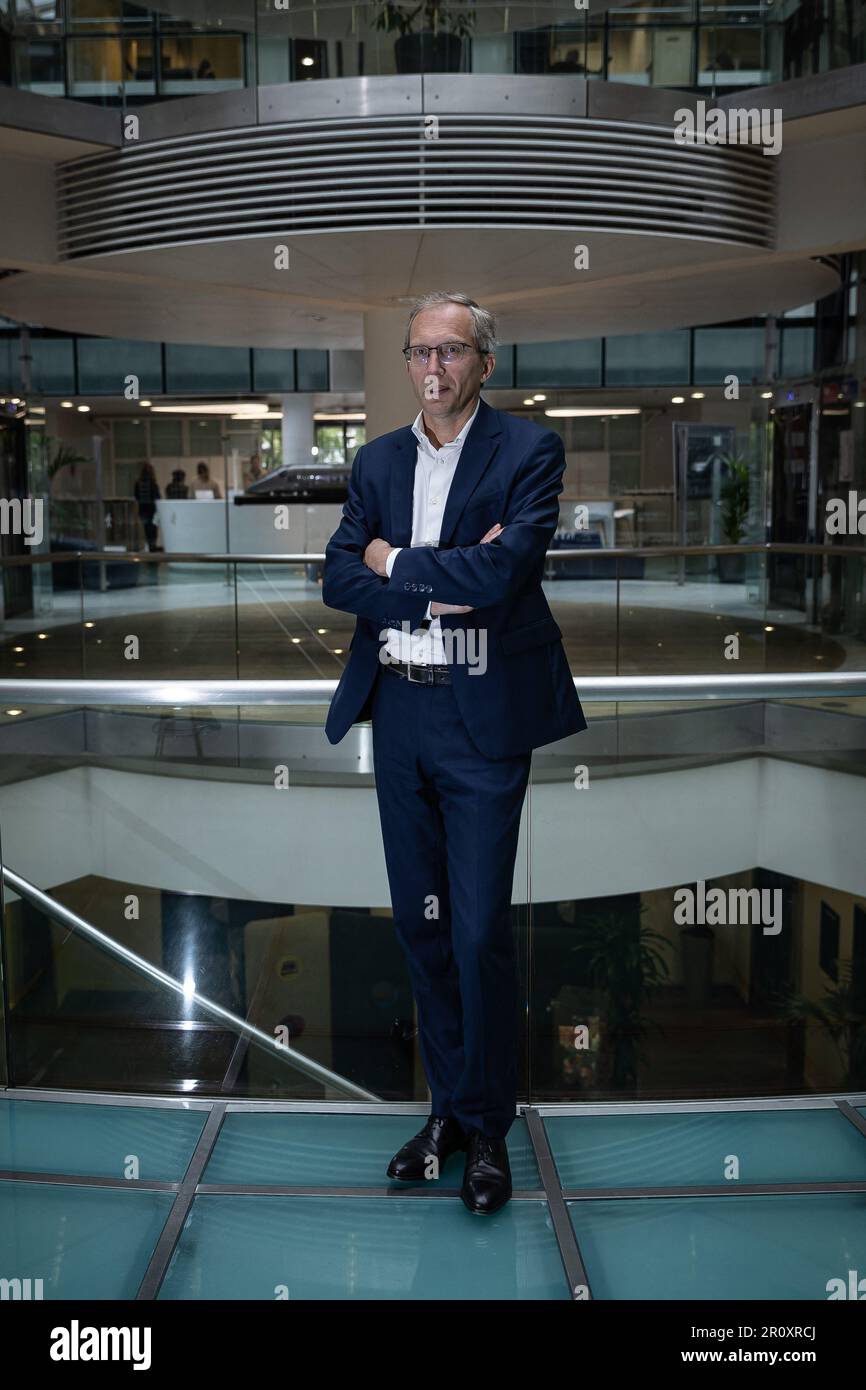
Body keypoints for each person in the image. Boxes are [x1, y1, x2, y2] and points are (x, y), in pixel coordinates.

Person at [322, 291, 587, 1214]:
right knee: (422, 929)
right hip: (399, 717)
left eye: (451, 352)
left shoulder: (529, 451)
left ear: (484, 362)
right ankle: (445, 1111)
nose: (432, 368)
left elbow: (505, 573)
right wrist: (434, 578)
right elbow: (335, 575)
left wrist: (398, 563)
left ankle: (487, 1131)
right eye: (418, 352)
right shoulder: (377, 459)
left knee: (477, 935)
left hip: (481, 724)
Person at [133, 461, 161, 551]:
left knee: (146, 530)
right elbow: (157, 497)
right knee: (153, 529)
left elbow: (136, 496)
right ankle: (153, 546)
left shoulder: (138, 483)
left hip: (142, 510)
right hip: (152, 509)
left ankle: (149, 546)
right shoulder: (153, 484)